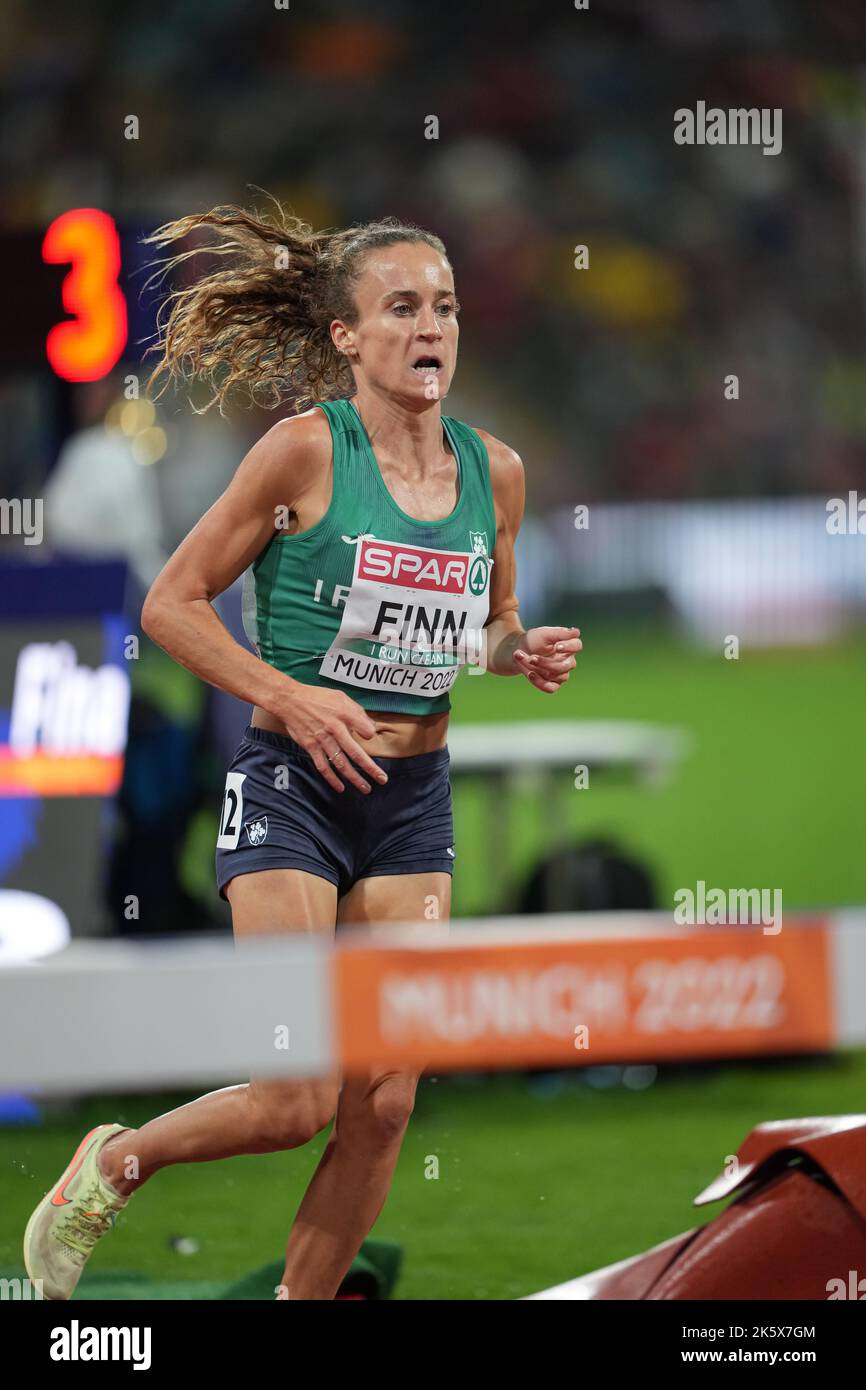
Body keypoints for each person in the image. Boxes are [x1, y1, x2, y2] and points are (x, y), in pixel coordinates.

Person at [23, 205, 582, 1301]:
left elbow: (486, 620)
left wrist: (518, 650)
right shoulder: (301, 452)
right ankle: (115, 1159)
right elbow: (173, 605)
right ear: (346, 337)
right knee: (295, 1098)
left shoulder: (495, 473)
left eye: (446, 308)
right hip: (292, 789)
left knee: (382, 1104)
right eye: (403, 308)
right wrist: (294, 697)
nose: (433, 329)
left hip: (410, 799)